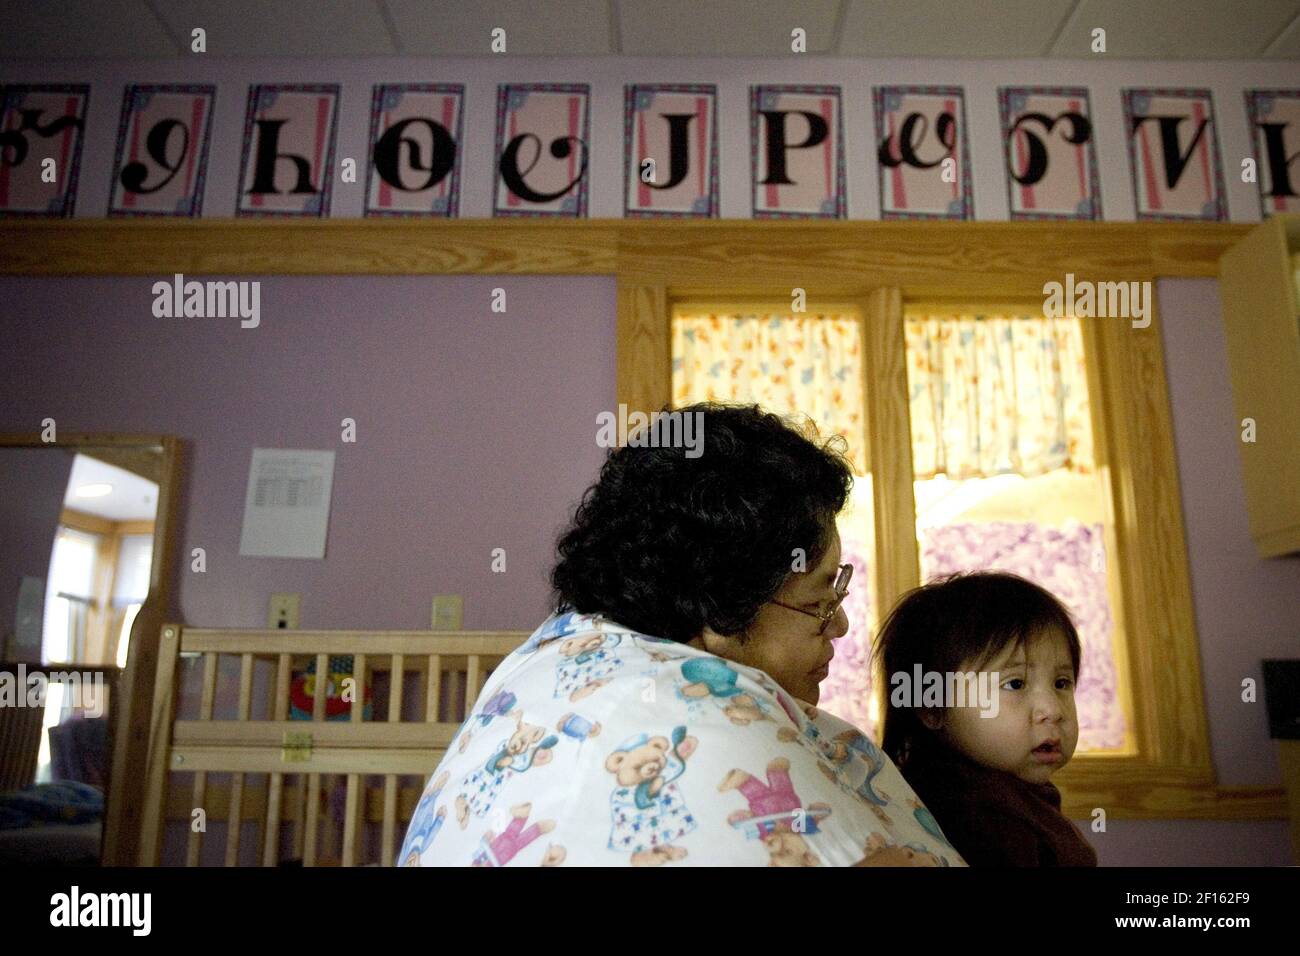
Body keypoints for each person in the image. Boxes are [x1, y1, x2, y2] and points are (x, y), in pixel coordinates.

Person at [399, 403, 963, 867]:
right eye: (819, 602)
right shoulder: (710, 708)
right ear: (720, 599)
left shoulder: (546, 656)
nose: (839, 625)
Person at [872, 571, 1099, 866]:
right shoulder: (972, 814)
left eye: (1061, 683)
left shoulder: (1007, 794)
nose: (1053, 710)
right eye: (1015, 684)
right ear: (932, 707)